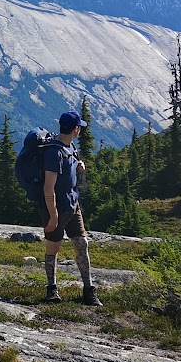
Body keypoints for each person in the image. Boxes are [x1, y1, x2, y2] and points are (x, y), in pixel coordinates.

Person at [41, 110, 102, 306]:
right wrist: (53, 215)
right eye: (80, 128)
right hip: (56, 207)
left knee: (82, 243)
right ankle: (52, 289)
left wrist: (78, 167)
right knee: (54, 246)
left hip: (72, 204)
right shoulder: (54, 152)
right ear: (75, 129)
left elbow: (68, 171)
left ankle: (88, 289)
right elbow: (48, 187)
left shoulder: (69, 147)